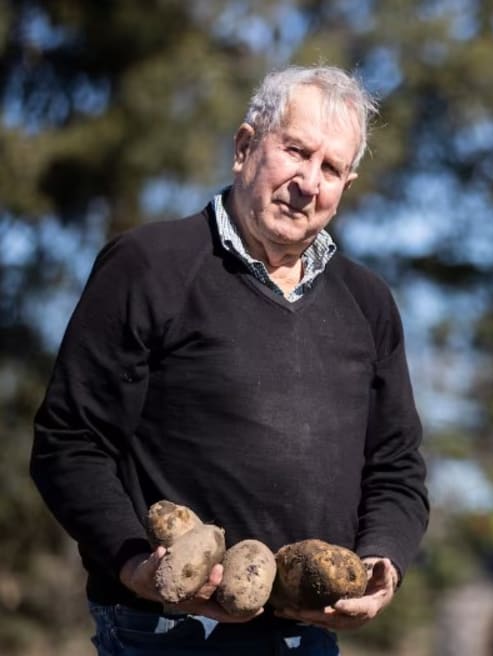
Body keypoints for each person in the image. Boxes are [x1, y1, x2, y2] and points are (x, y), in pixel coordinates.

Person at [30, 65, 429, 655]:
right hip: (166, 630)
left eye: (331, 169)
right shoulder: (149, 266)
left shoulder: (367, 303)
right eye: (296, 151)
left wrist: (382, 564)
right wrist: (135, 565)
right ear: (245, 148)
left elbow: (397, 466)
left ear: (346, 185)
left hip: (305, 637)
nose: (308, 182)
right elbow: (70, 441)